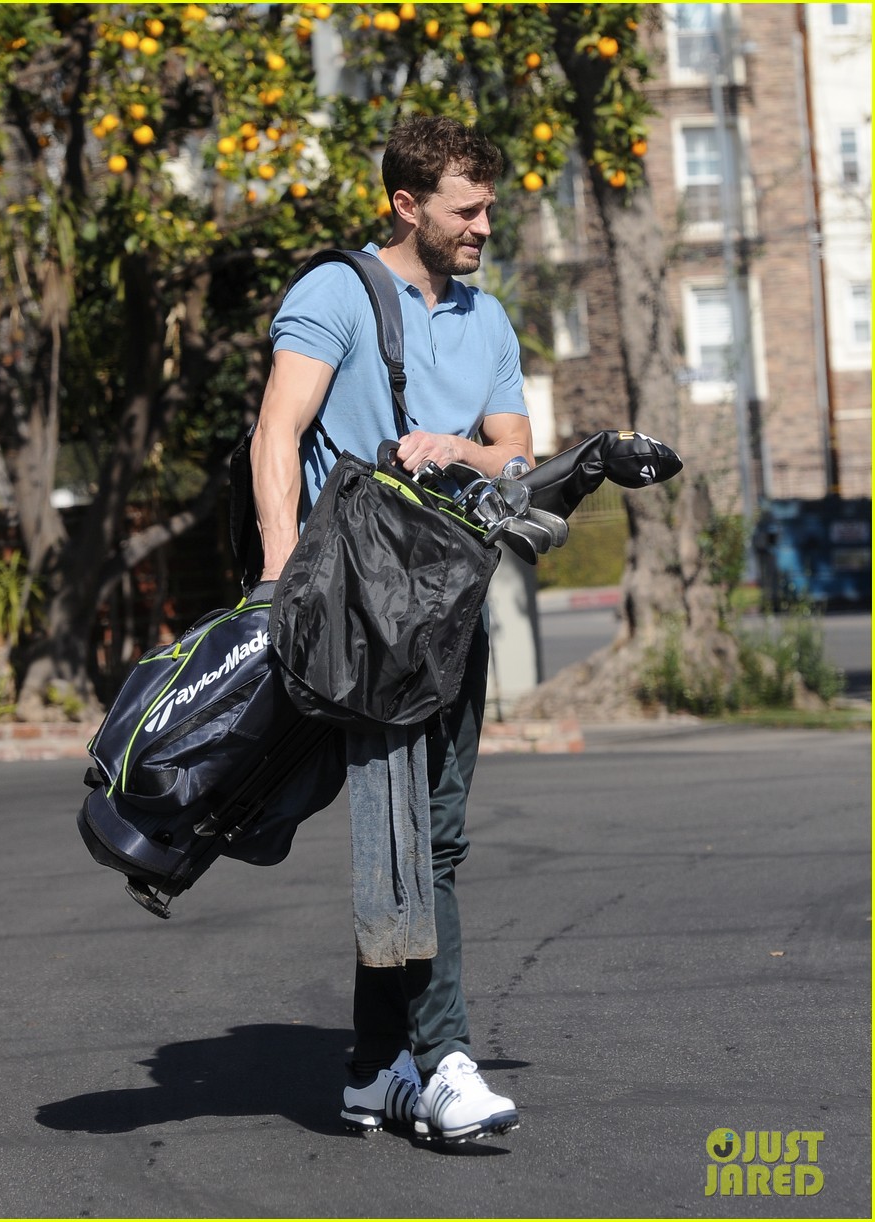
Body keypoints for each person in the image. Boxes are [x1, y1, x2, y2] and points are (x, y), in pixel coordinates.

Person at [249, 114, 534, 1143]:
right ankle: (445, 1056)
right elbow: (278, 429)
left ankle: (374, 1069)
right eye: (467, 208)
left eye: (490, 206)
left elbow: (516, 458)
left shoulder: (488, 317)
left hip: (454, 610)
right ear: (406, 205)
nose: (483, 225)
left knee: (436, 837)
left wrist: (458, 445)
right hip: (365, 609)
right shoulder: (336, 294)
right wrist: (283, 572)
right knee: (404, 840)